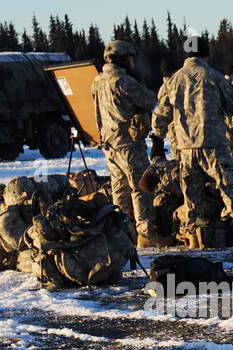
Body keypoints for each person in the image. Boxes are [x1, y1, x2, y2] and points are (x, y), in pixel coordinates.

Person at [151, 36, 233, 247]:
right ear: (205, 53)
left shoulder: (174, 80)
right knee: (227, 186)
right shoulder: (213, 76)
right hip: (213, 144)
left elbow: (162, 111)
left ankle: (194, 235)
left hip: (185, 146)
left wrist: (158, 136)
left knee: (191, 192)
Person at [90, 39, 168, 247]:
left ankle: (123, 233)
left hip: (109, 144)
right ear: (124, 59)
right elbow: (151, 101)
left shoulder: (97, 81)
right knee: (140, 187)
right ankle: (146, 234)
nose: (134, 62)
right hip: (128, 144)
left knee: (119, 190)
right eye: (131, 58)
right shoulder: (123, 81)